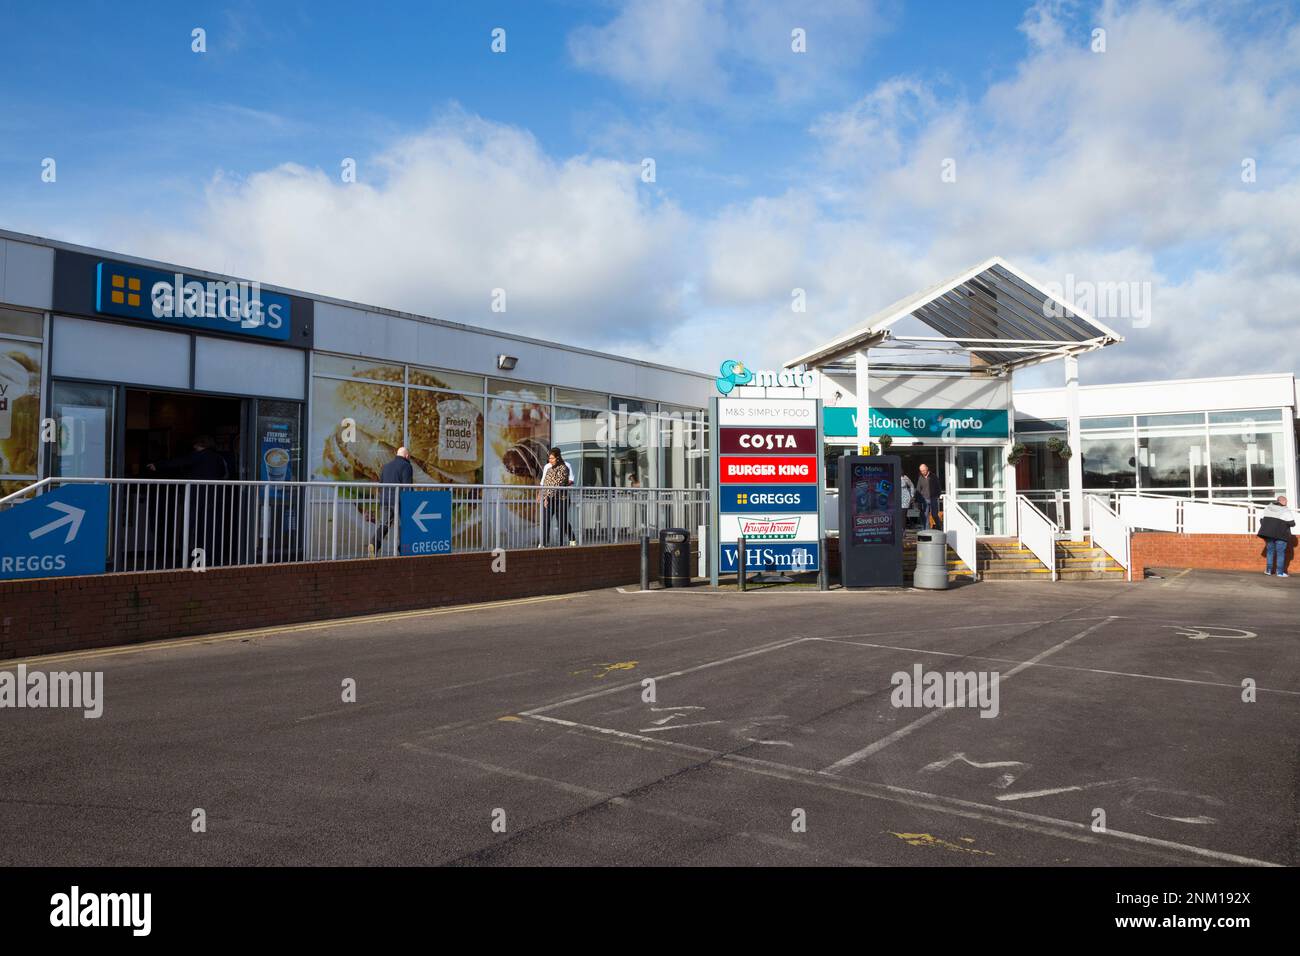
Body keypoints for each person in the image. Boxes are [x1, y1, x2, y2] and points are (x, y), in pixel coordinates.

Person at [148, 435, 229, 565]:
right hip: (212, 497)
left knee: (188, 527)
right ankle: (207, 557)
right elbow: (223, 474)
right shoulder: (219, 458)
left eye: (195, 445)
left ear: (198, 445)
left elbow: (179, 462)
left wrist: (158, 465)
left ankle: (184, 558)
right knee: (208, 528)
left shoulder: (198, 455)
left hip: (195, 496)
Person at [370, 446, 413, 557]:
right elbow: (407, 486)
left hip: (385, 499)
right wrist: (410, 501)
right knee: (403, 525)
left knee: (384, 524)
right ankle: (403, 549)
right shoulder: (406, 466)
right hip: (398, 500)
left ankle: (374, 545)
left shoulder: (386, 466)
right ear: (407, 456)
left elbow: (381, 484)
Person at [538, 447, 574, 546]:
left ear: (558, 457)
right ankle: (544, 543)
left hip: (562, 499)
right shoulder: (548, 468)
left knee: (562, 521)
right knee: (546, 520)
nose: (550, 460)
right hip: (549, 499)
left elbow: (560, 483)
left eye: (552, 458)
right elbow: (545, 483)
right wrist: (544, 496)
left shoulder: (564, 467)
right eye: (549, 458)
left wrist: (548, 496)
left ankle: (570, 540)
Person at [1257, 495, 1295, 577]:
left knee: (1270, 551)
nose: (1286, 502)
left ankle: (1268, 571)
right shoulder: (1285, 510)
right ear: (1281, 501)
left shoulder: (1267, 508)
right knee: (1280, 553)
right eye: (1285, 501)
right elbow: (1292, 523)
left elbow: (1261, 520)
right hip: (1281, 535)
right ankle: (1280, 573)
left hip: (1268, 534)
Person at [915, 462, 939, 530]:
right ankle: (926, 531)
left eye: (924, 470)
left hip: (933, 498)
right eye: (921, 471)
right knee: (925, 516)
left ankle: (939, 527)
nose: (923, 472)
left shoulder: (933, 476)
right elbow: (918, 489)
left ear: (927, 469)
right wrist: (917, 500)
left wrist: (937, 495)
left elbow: (938, 487)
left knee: (934, 514)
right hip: (924, 499)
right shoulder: (920, 478)